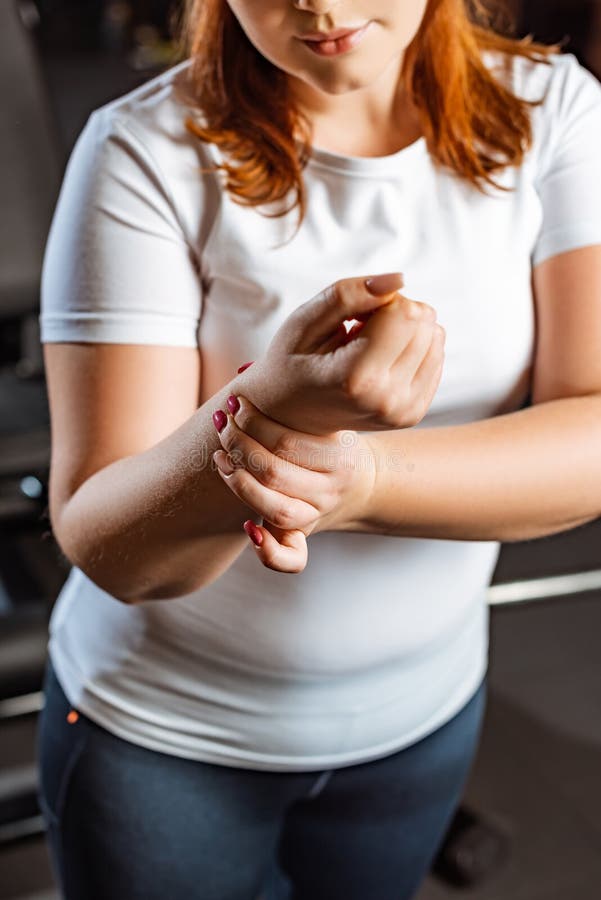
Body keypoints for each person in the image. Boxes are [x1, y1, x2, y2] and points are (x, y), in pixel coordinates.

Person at [35, 1, 601, 898]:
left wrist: (359, 478)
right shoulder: (141, 151)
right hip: (168, 740)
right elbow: (112, 546)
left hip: (423, 718)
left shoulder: (554, 109)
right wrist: (268, 406)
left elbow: (592, 436)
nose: (322, 9)